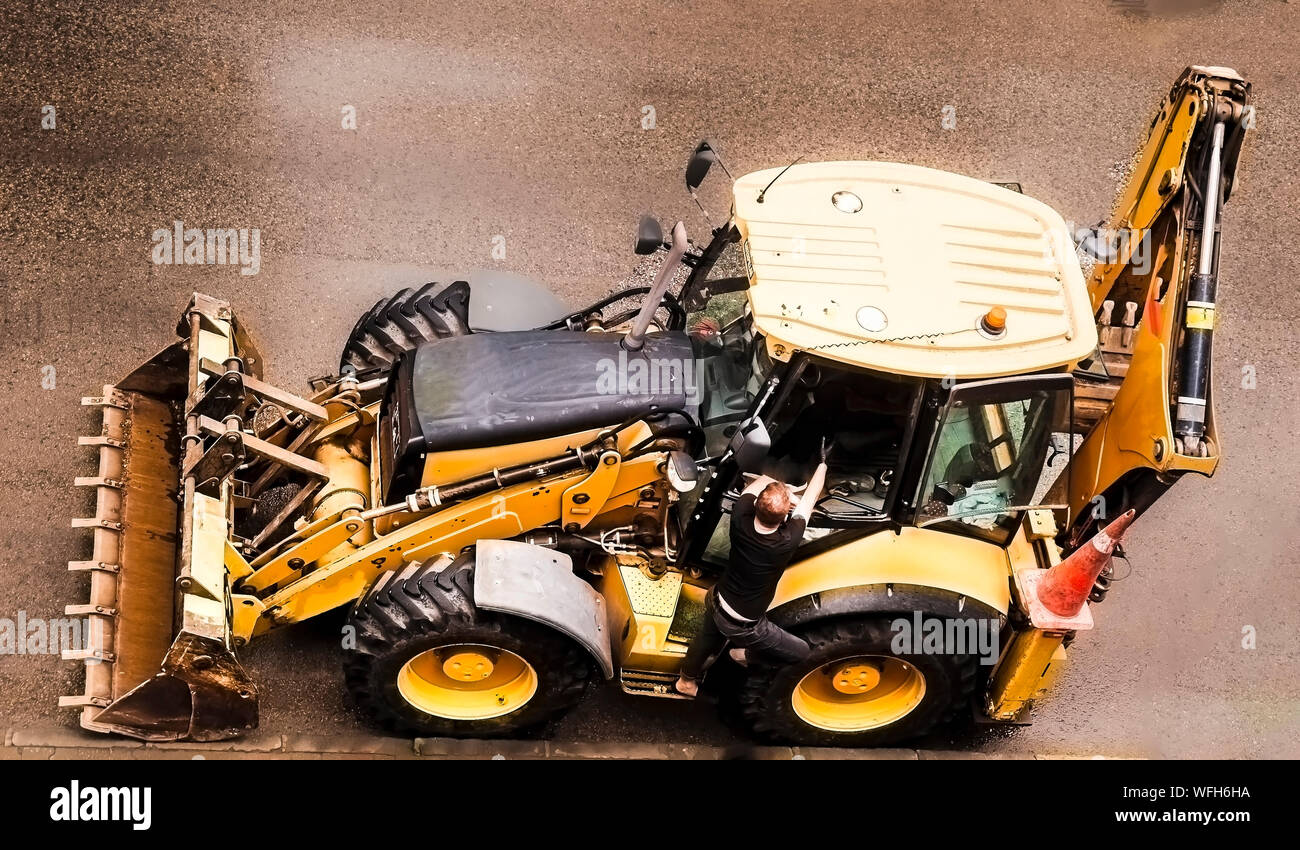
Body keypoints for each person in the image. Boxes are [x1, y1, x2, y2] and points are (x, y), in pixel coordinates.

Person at [675, 440, 830, 698]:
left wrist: (777, 488)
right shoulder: (786, 541)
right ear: (785, 516)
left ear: (756, 504)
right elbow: (811, 498)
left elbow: (756, 485)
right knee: (800, 652)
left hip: (717, 599)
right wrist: (823, 464)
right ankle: (742, 654)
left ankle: (686, 682)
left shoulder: (740, 516)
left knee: (706, 639)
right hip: (743, 625)